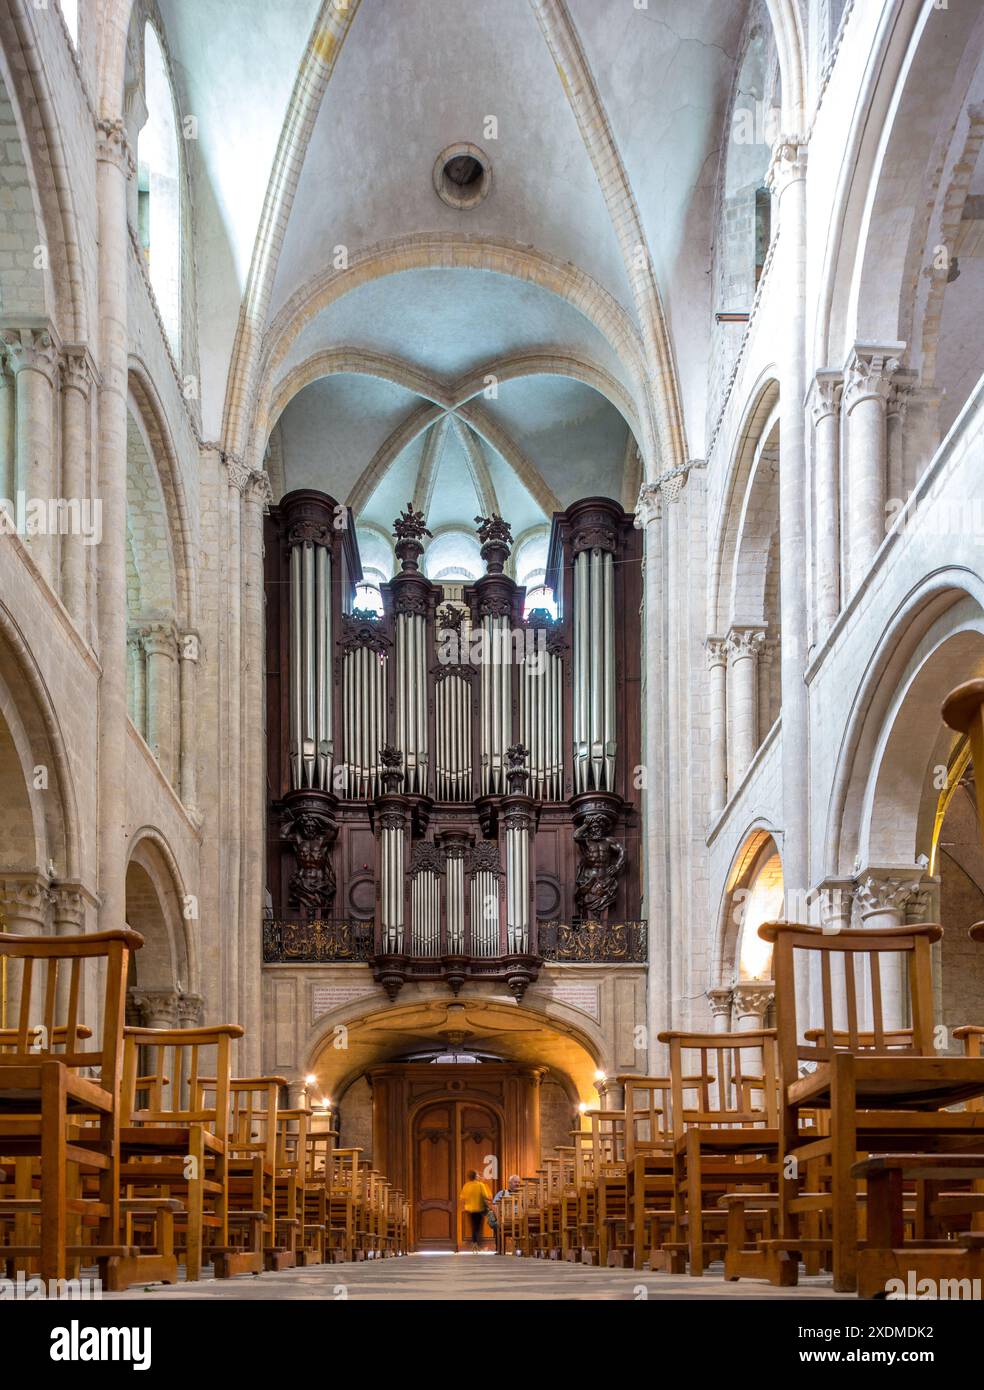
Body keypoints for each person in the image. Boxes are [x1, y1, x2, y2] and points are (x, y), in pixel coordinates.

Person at [458, 1170, 492, 1251]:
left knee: (474, 1227)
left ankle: (475, 1243)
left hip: (469, 1210)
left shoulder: (466, 1185)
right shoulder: (480, 1185)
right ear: (476, 1176)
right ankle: (476, 1244)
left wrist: (465, 1205)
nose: (479, 1176)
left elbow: (462, 1197)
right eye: (477, 1175)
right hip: (479, 1209)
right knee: (478, 1228)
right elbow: (486, 1196)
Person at [491, 1174, 523, 1254]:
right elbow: (494, 1206)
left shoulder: (523, 1194)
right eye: (515, 1182)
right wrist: (499, 1218)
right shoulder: (502, 1193)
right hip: (505, 1218)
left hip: (520, 1218)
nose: (517, 1184)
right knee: (497, 1226)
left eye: (519, 1182)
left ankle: (520, 1249)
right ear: (509, 1183)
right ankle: (500, 1249)